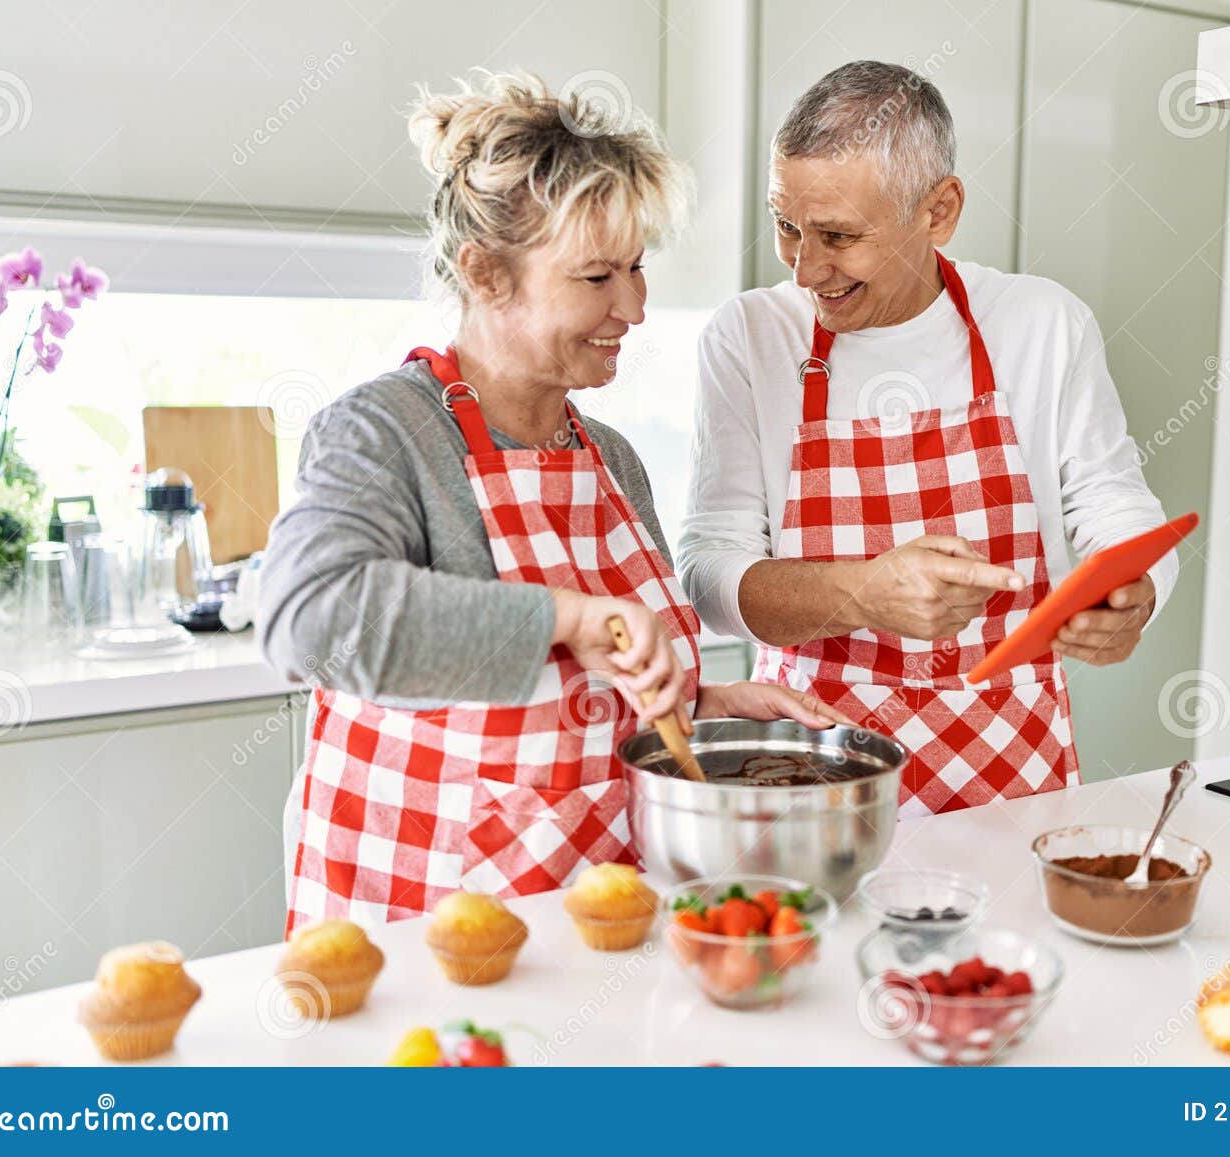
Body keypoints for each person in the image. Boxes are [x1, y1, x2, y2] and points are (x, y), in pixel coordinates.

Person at [260, 73, 843, 929]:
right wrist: (568, 617)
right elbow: (307, 623)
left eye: (637, 267)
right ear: (486, 273)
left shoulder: (610, 459)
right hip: (422, 941)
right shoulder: (386, 434)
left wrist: (697, 704)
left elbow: (591, 699)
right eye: (597, 276)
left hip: (595, 924)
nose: (635, 307)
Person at [678, 61, 1178, 816]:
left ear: (939, 211)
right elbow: (707, 575)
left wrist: (1136, 592)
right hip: (815, 775)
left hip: (1010, 773)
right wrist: (861, 594)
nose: (806, 268)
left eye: (838, 236)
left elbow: (1115, 503)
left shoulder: (1042, 324)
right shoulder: (751, 336)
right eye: (786, 225)